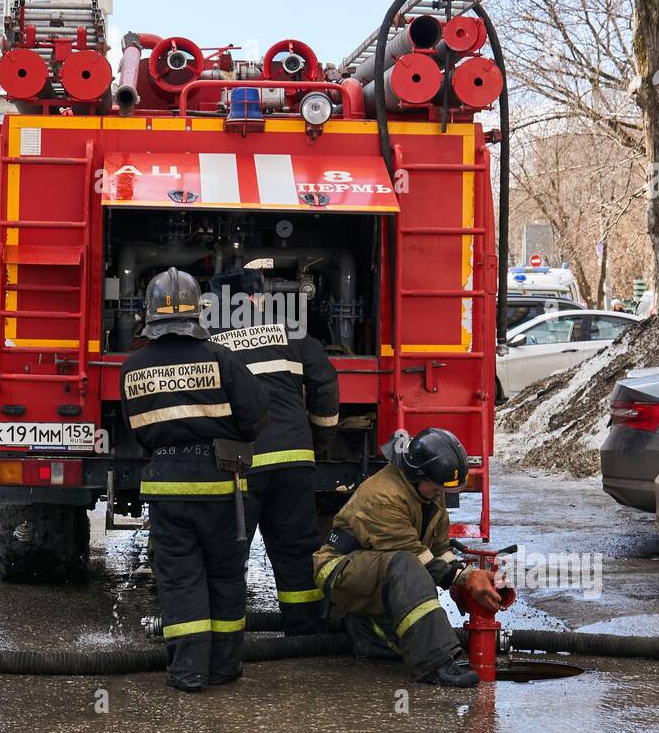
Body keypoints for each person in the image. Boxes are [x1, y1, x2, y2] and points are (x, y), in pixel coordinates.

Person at [121, 268, 267, 692]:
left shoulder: (132, 367)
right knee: (225, 576)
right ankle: (225, 668)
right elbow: (255, 417)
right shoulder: (221, 357)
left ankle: (187, 673)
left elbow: (140, 431)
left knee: (180, 580)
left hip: (167, 487)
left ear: (149, 315)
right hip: (221, 486)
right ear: (196, 311)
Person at [206, 266, 340, 635]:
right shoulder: (292, 331)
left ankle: (225, 639)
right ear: (258, 297)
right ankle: (305, 632)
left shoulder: (210, 339)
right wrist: (319, 439)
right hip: (294, 462)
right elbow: (325, 384)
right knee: (297, 550)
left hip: (239, 465)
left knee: (230, 554)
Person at [312, 427, 501, 687]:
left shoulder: (429, 494)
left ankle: (366, 631)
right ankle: (434, 665)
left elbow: (439, 551)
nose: (440, 494)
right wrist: (466, 578)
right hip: (339, 569)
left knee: (406, 639)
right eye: (435, 488)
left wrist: (461, 578)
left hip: (375, 567)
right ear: (416, 474)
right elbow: (418, 558)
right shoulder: (383, 496)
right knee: (407, 566)